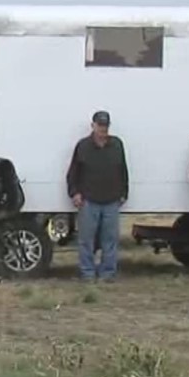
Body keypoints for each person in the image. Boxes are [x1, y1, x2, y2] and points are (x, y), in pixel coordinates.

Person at [66, 110, 129, 282]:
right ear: (92, 125)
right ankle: (87, 273)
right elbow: (73, 172)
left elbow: (123, 170)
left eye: (105, 126)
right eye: (100, 125)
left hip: (111, 200)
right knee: (86, 240)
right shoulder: (83, 146)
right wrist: (74, 193)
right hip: (88, 200)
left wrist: (124, 192)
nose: (103, 129)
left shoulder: (117, 145)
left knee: (110, 239)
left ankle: (107, 273)